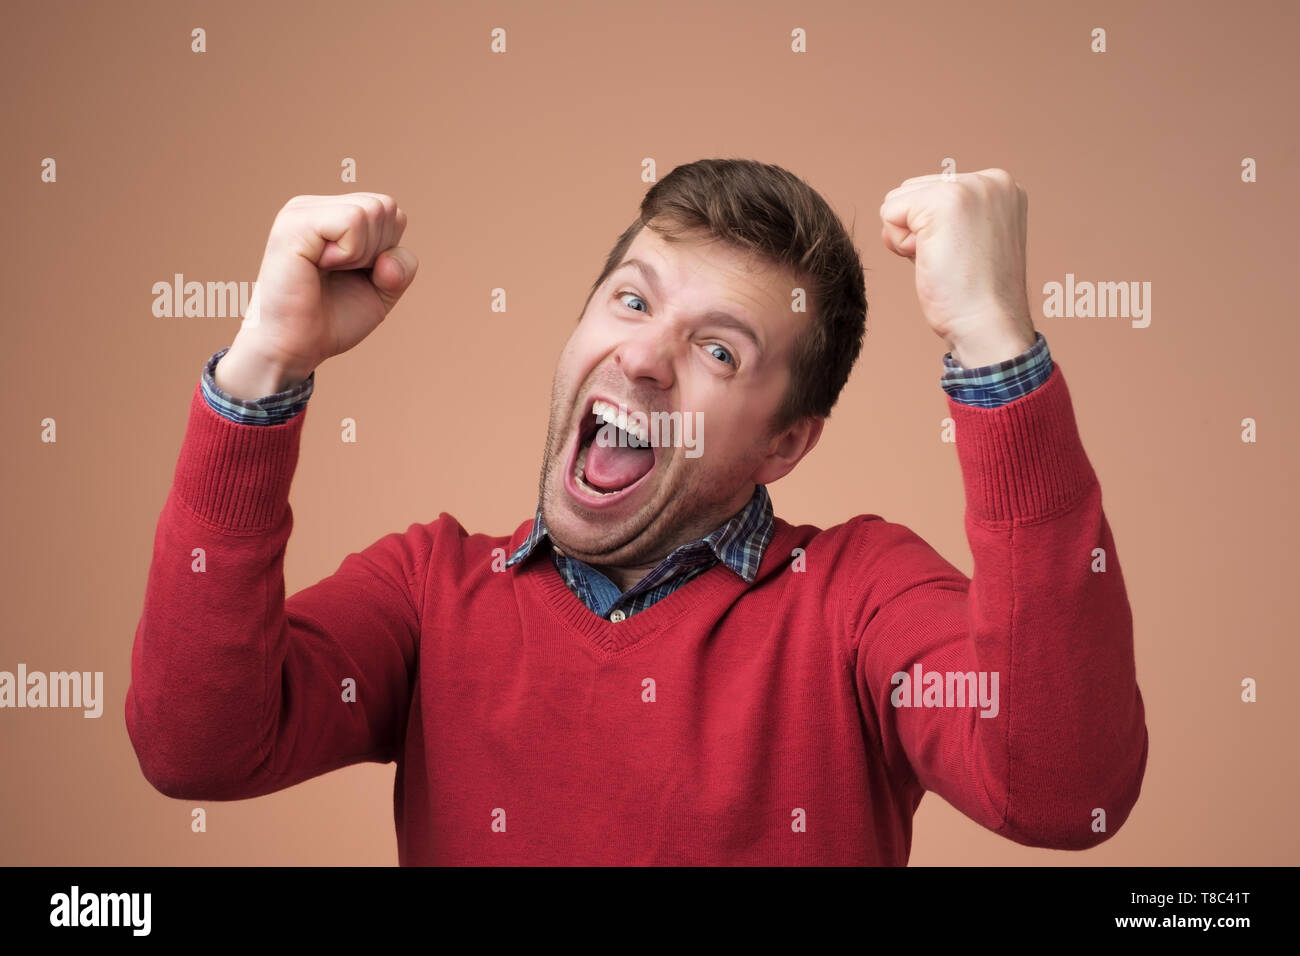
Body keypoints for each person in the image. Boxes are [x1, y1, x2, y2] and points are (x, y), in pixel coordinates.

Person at [126, 158, 1148, 865]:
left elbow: (1062, 789)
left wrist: (995, 345)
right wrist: (265, 365)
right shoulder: (429, 592)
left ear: (783, 444)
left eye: (719, 351)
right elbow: (197, 745)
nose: (645, 355)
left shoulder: (859, 598)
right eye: (630, 299)